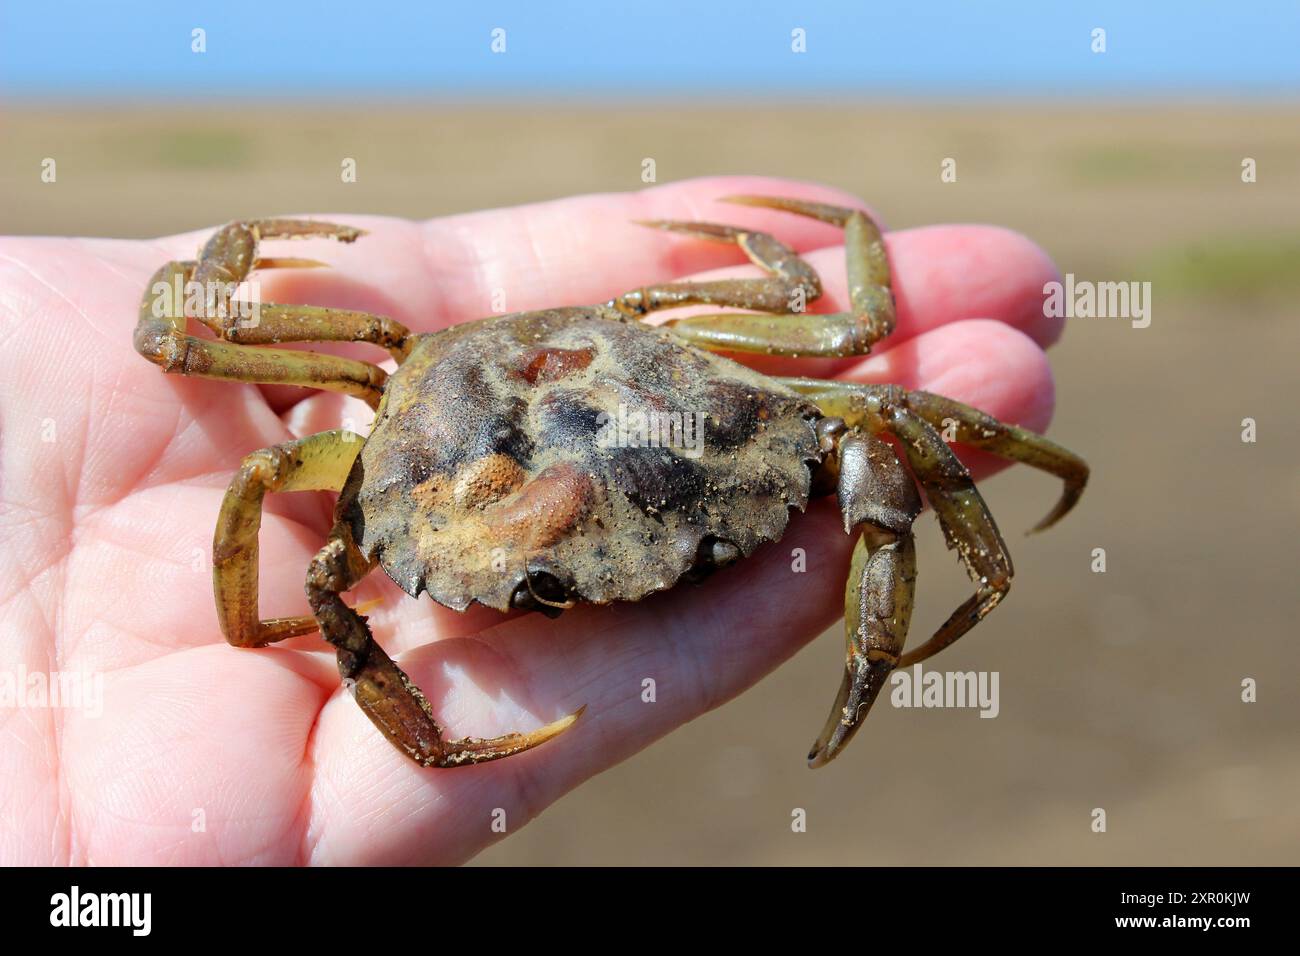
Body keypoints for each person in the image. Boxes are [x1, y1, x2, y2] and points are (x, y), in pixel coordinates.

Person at [0, 176, 1067, 865]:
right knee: (319, 558)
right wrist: (253, 622)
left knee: (888, 419)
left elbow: (863, 331)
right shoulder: (374, 399)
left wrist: (824, 246)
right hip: (448, 423)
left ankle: (886, 649)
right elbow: (178, 332)